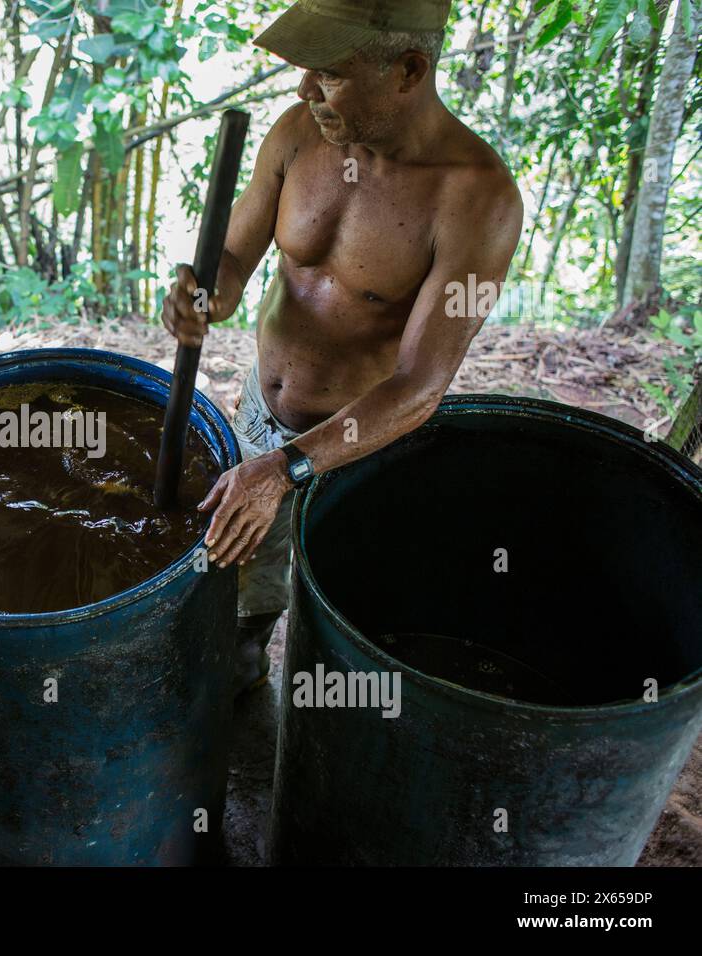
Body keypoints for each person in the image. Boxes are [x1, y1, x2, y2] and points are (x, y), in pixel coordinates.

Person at [161, 0, 524, 692]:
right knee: (239, 593)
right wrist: (200, 294)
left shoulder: (479, 200)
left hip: (356, 452)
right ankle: (237, 683)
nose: (305, 91)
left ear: (408, 70)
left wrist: (284, 471)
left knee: (346, 628)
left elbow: (419, 384)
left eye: (328, 75)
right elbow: (231, 264)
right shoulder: (299, 133)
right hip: (259, 419)